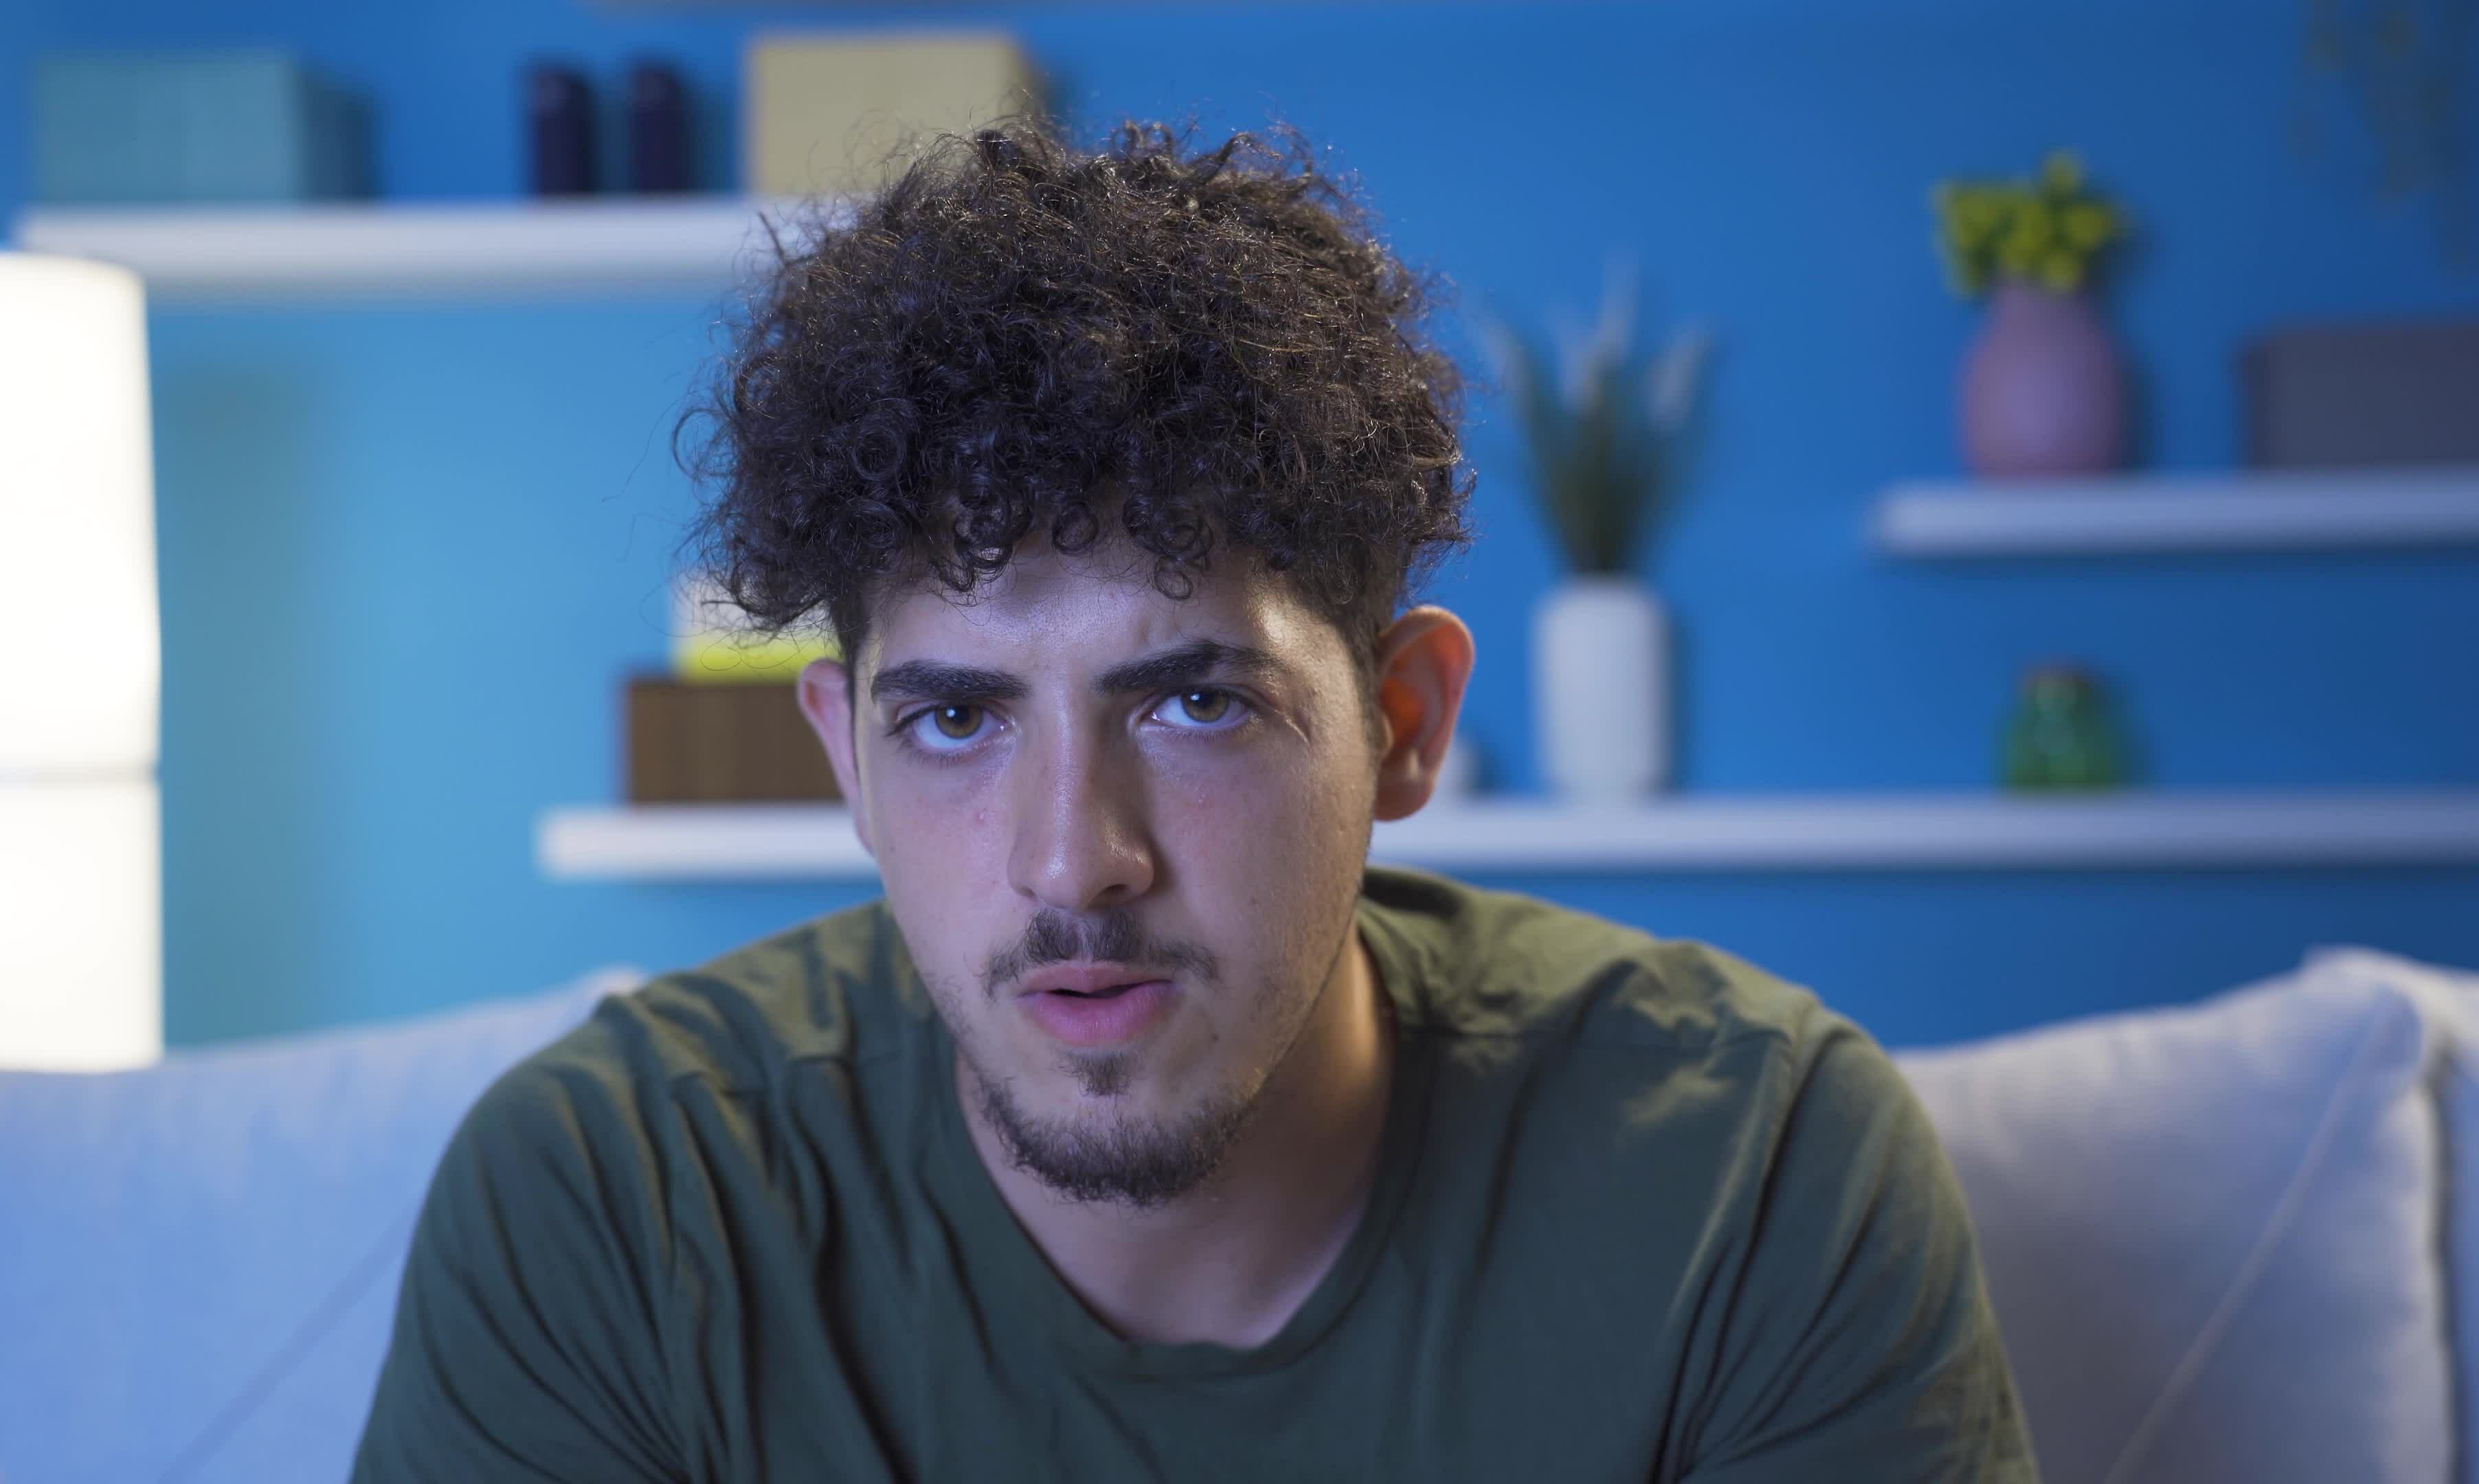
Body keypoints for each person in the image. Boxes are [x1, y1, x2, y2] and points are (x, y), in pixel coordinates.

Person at [352, 116, 2036, 1482]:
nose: (1076, 856)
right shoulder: (616, 1202)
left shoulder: (1753, 1177)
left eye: (1198, 702)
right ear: (846, 761)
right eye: (955, 719)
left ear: (1402, 723)